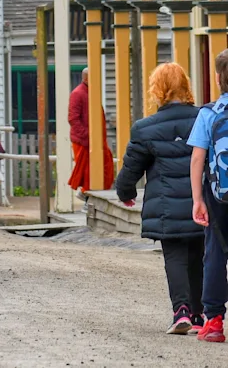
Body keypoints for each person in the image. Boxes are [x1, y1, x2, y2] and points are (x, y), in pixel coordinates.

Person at [116, 62, 203, 335]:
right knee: (199, 256)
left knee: (174, 256)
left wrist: (126, 192)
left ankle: (181, 311)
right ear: (185, 86)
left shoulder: (146, 128)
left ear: (157, 89)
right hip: (201, 203)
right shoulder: (204, 119)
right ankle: (200, 314)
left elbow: (132, 168)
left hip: (166, 206)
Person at [189, 48, 228, 343]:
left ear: (217, 78)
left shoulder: (208, 113)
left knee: (215, 252)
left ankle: (213, 322)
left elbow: (197, 159)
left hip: (218, 195)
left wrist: (197, 200)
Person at [67, 67, 116, 195]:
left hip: (97, 141)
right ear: (86, 79)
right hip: (84, 142)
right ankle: (86, 195)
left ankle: (95, 195)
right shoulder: (78, 93)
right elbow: (73, 119)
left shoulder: (91, 92)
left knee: (105, 167)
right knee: (88, 173)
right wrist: (88, 136)